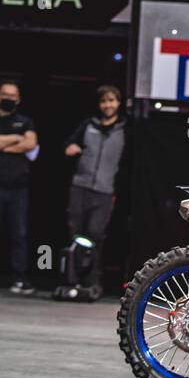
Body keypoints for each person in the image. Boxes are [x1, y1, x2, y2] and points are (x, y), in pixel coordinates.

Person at [62, 85, 128, 297]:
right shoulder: (88, 125)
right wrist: (71, 148)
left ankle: (91, 281)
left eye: (111, 100)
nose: (107, 105)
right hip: (80, 186)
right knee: (75, 233)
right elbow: (69, 144)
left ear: (118, 103)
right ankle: (71, 280)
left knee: (95, 234)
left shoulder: (125, 128)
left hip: (105, 191)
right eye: (103, 101)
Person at [0, 81, 37, 295]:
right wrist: (16, 139)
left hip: (18, 187)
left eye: (13, 95)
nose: (9, 98)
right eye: (5, 94)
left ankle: (19, 279)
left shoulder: (25, 121)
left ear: (18, 99)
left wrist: (2, 143)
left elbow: (30, 144)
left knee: (19, 234)